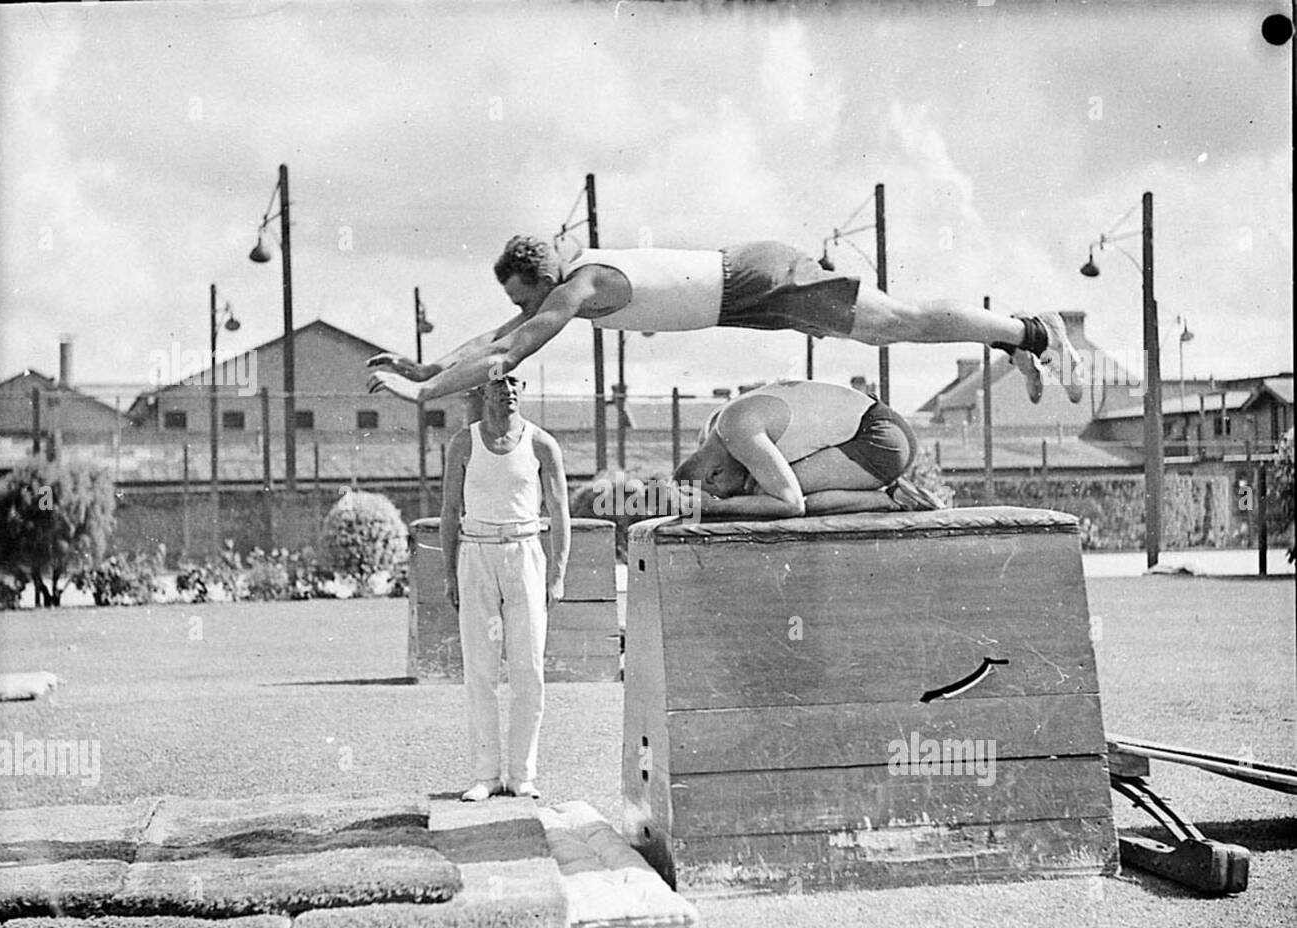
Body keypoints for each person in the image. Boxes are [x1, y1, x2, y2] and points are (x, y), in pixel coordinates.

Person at [366, 236, 1085, 406]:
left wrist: (428, 395)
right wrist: (429, 366)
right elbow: (499, 337)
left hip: (760, 282)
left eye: (526, 297)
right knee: (894, 322)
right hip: (746, 299)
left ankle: (1030, 330)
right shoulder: (566, 286)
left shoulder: (577, 287)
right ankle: (1014, 334)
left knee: (894, 322)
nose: (524, 312)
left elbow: (512, 348)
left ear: (544, 278)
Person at [439, 375, 570, 802]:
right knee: (480, 669)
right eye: (498, 383)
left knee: (528, 671)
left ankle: (522, 774)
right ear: (483, 391)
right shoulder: (463, 442)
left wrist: (558, 572)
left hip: (525, 554)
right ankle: (486, 775)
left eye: (515, 381)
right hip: (476, 555)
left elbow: (560, 511)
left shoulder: (542, 444)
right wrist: (447, 572)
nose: (508, 389)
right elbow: (448, 510)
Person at [672, 379, 941, 518]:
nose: (734, 490)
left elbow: (791, 505)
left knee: (768, 496)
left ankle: (892, 500)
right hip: (872, 425)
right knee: (764, 493)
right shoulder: (713, 428)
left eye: (722, 493)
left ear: (713, 475)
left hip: (884, 438)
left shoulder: (736, 430)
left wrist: (719, 508)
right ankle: (892, 495)